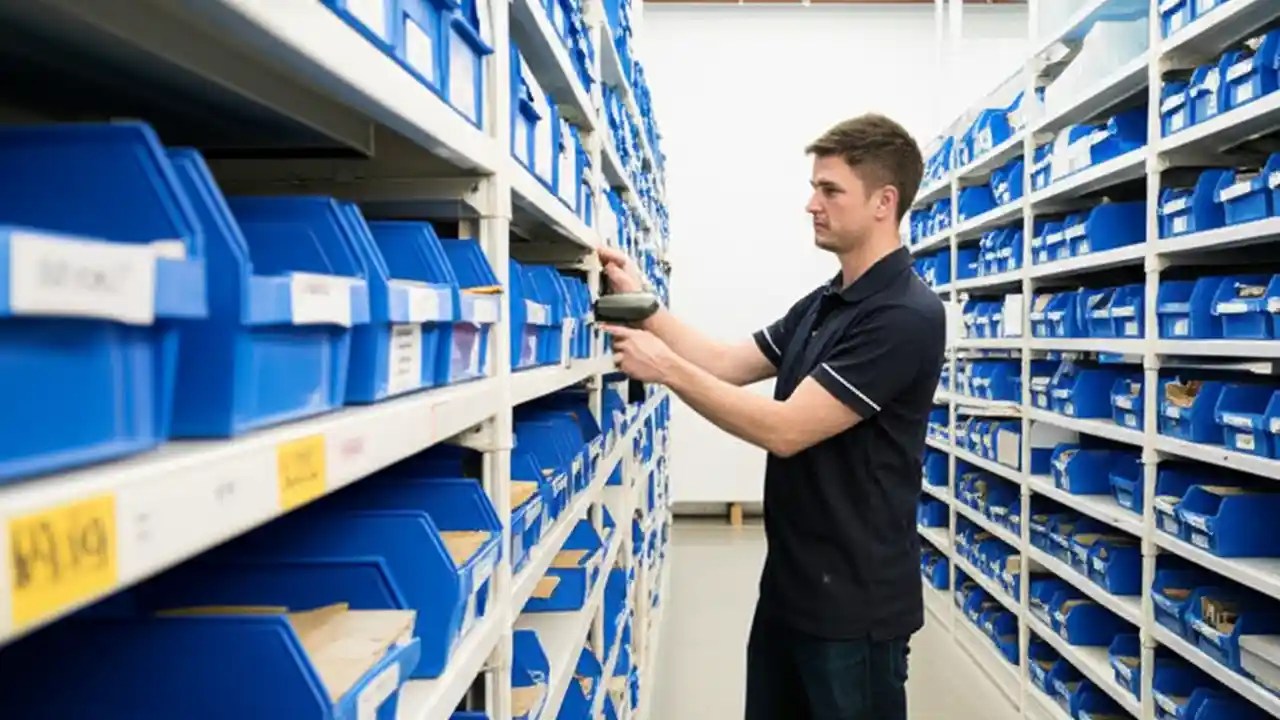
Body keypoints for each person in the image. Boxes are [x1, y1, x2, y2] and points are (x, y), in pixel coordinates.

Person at [599, 113, 946, 720]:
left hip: (854, 611)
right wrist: (645, 306)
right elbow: (729, 361)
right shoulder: (826, 302)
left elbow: (785, 430)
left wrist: (666, 371)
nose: (811, 204)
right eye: (814, 187)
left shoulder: (904, 315)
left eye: (830, 189)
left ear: (883, 202)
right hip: (791, 588)